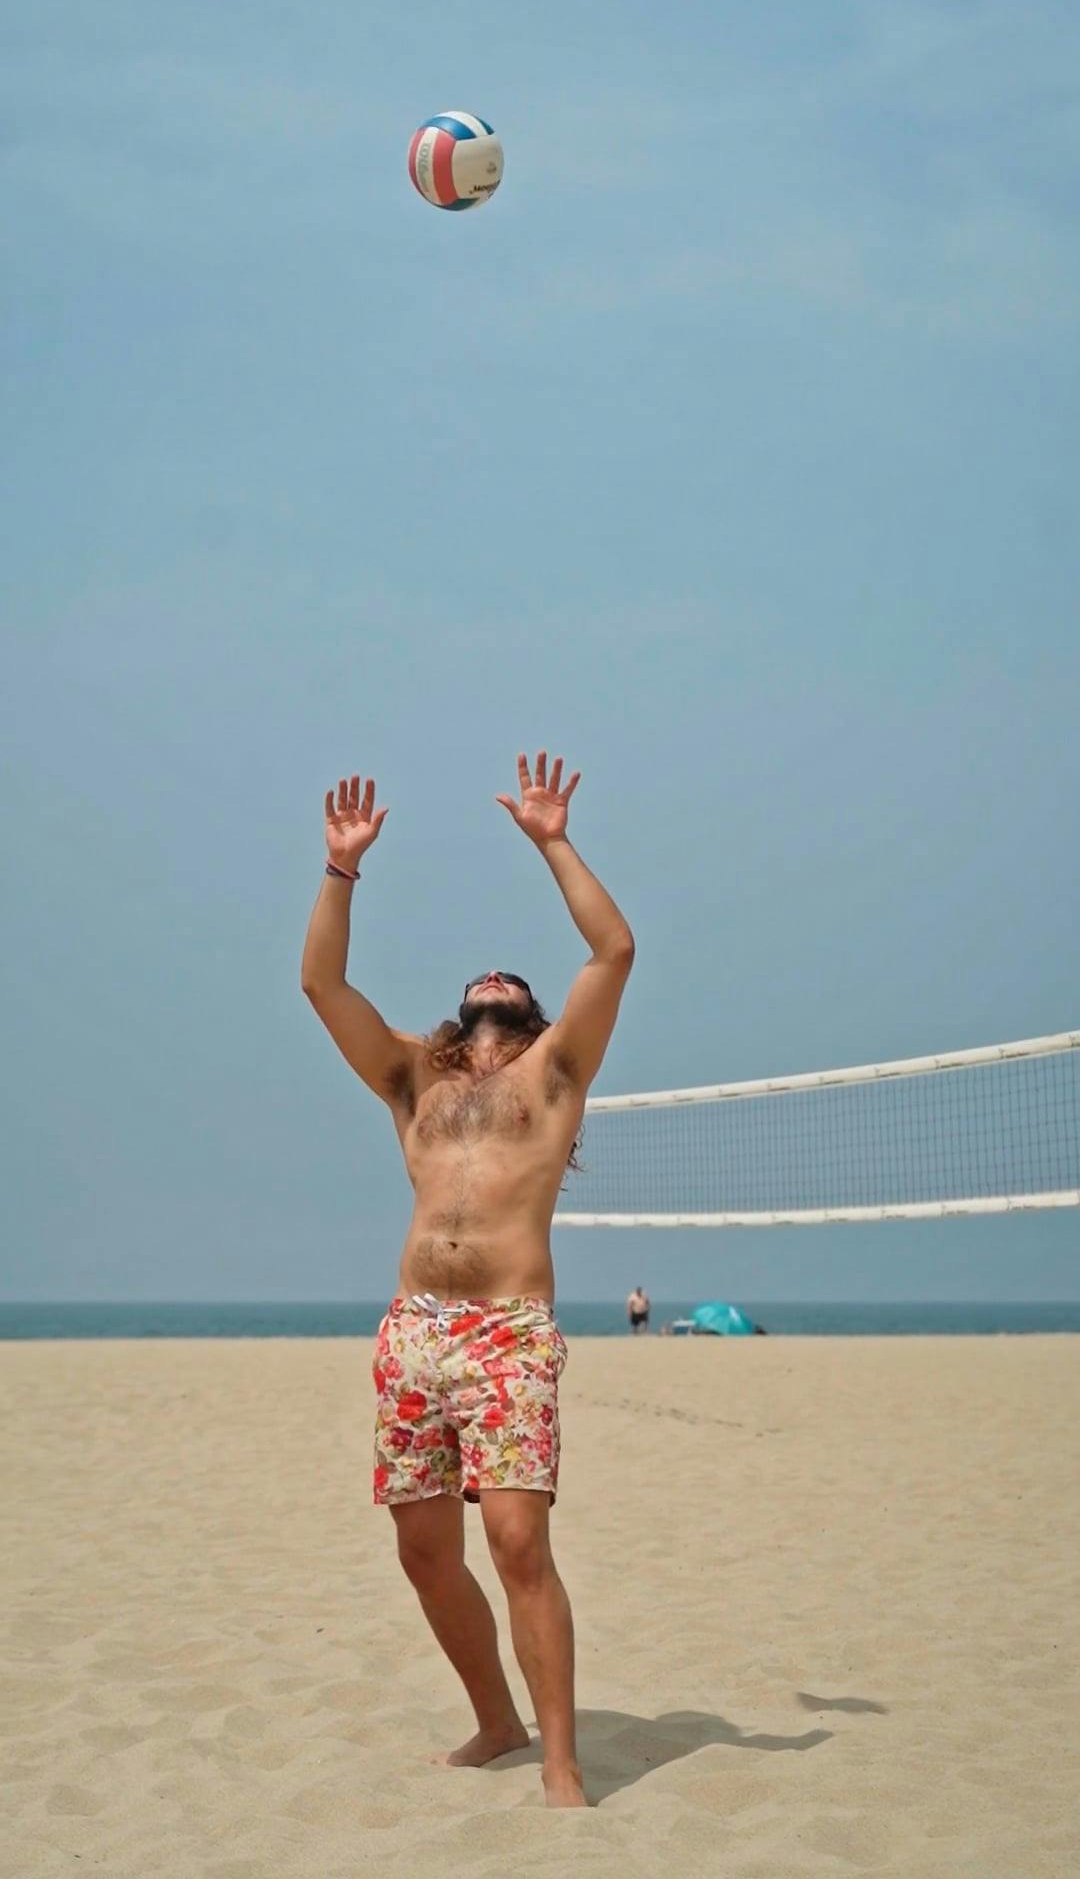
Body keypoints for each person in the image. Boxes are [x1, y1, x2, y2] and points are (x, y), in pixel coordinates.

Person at [301, 751, 634, 1810]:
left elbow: (614, 946)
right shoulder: (414, 1077)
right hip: (415, 1332)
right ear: (458, 1017)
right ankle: (496, 1718)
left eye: (511, 982)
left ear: (532, 1020)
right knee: (423, 1550)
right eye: (479, 982)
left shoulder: (554, 1076)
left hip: (506, 1332)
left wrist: (551, 840)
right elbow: (321, 984)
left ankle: (562, 1761)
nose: (493, 975)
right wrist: (341, 871)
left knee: (517, 1538)